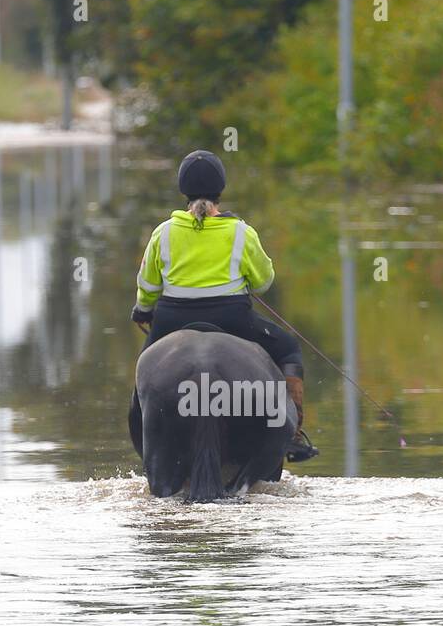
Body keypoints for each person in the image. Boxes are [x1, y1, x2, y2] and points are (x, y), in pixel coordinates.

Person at [131, 150, 318, 462]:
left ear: (183, 192)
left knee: (144, 370)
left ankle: (142, 430)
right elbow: (263, 282)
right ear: (221, 191)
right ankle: (293, 435)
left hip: (171, 321)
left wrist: (142, 309)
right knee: (288, 348)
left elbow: (148, 285)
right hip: (233, 318)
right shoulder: (241, 232)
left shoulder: (163, 233)